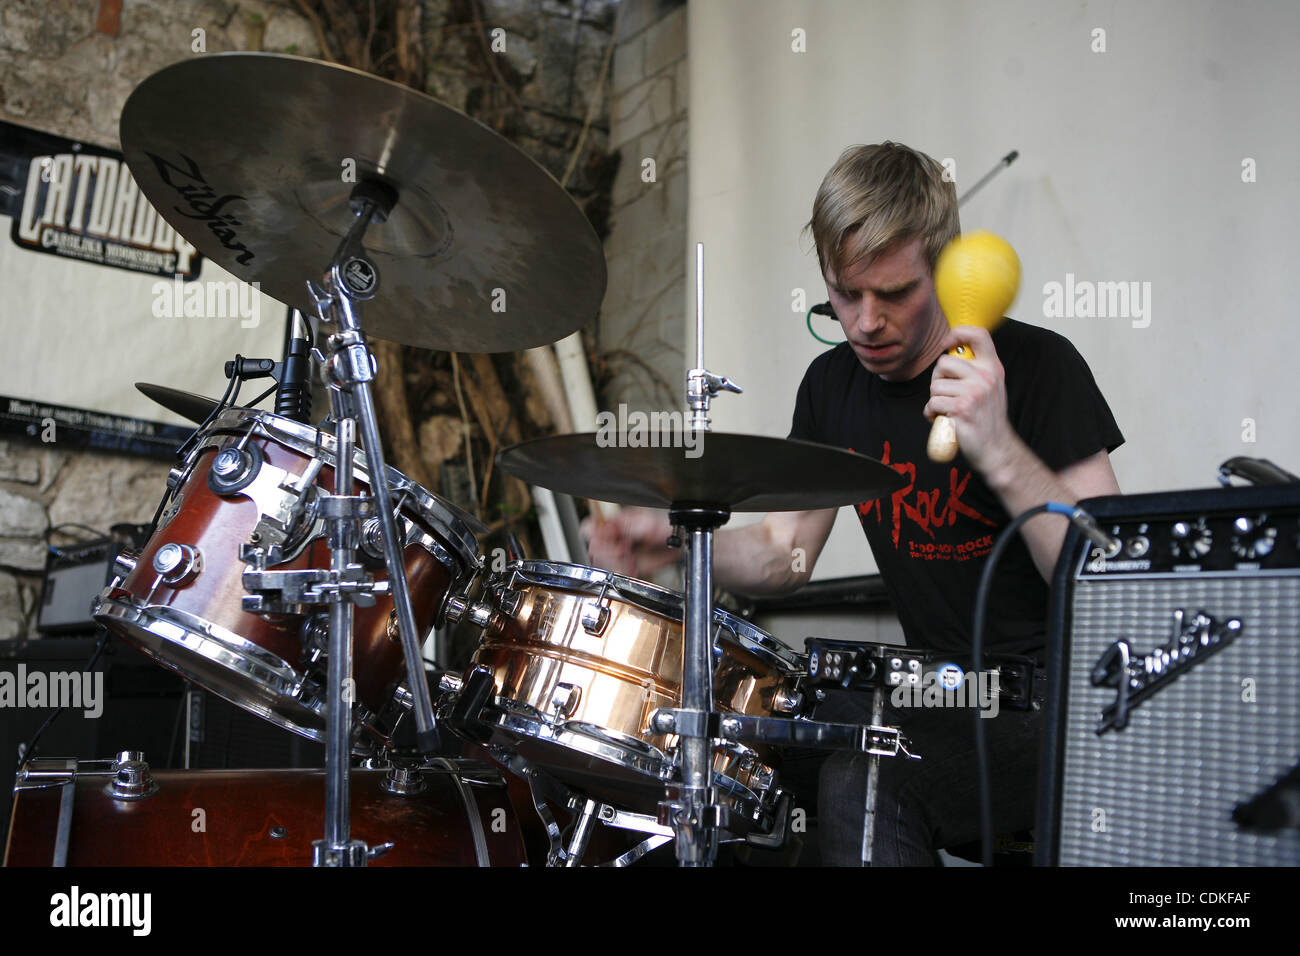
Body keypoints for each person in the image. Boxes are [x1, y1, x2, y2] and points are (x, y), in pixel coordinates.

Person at [584, 141, 1123, 865]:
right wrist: (678, 539)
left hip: (1064, 701)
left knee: (867, 772)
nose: (866, 322)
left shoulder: (1036, 368)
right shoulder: (832, 386)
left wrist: (998, 447)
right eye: (844, 293)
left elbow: (1110, 586)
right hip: (943, 693)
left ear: (947, 270)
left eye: (894, 293)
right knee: (743, 739)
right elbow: (784, 555)